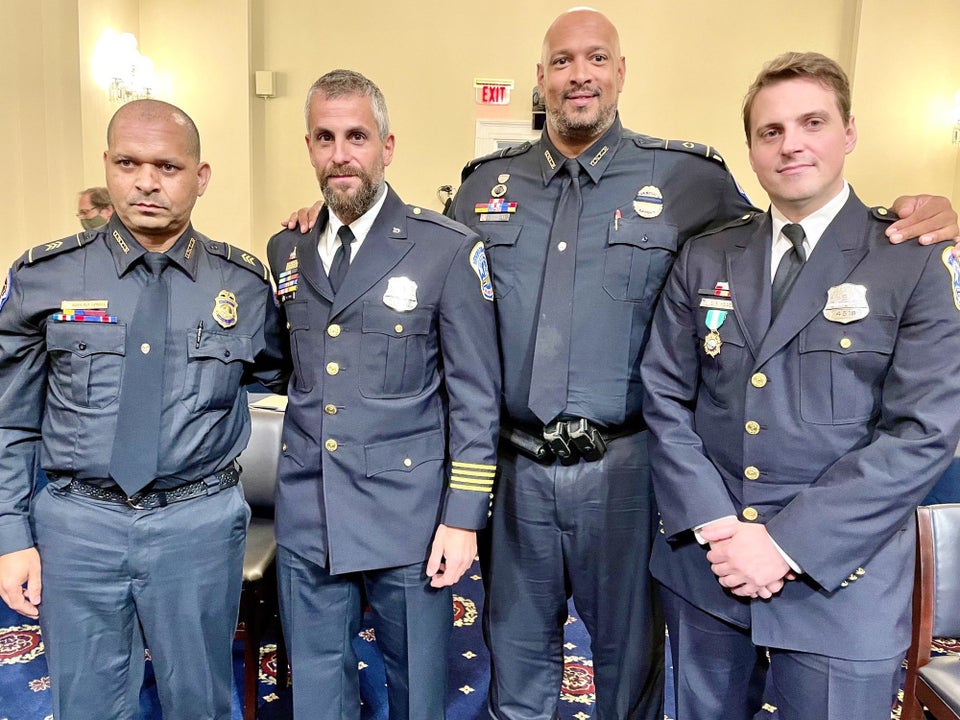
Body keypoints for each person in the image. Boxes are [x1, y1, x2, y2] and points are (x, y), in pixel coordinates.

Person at [283, 11, 960, 719]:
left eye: (597, 58)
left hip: (629, 471)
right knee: (513, 668)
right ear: (540, 79)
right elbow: (408, 252)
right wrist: (329, 223)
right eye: (563, 61)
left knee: (629, 671)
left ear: (621, 72)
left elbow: (787, 229)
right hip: (514, 472)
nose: (580, 74)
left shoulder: (691, 180)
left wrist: (922, 212)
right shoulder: (487, 185)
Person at [640, 51, 960, 720]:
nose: (791, 145)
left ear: (848, 132)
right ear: (752, 150)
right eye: (770, 131)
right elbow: (664, 396)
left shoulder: (911, 260)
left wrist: (785, 544)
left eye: (811, 122)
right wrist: (722, 529)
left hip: (843, 581)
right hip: (711, 567)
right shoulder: (707, 255)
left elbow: (924, 431)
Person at [0, 99, 287, 720]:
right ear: (107, 164)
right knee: (89, 705)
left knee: (201, 701)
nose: (147, 182)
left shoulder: (243, 285)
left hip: (197, 524)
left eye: (168, 166)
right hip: (78, 525)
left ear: (201, 176)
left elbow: (280, 372)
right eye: (128, 163)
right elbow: (11, 420)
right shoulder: (43, 277)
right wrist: (10, 533)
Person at [265, 69, 500, 719]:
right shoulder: (287, 248)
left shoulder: (445, 250)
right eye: (324, 137)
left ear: (387, 146)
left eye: (357, 137)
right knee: (316, 691)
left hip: (410, 517)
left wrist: (462, 517)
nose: (340, 154)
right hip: (310, 510)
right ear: (308, 145)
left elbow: (475, 399)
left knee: (420, 690)